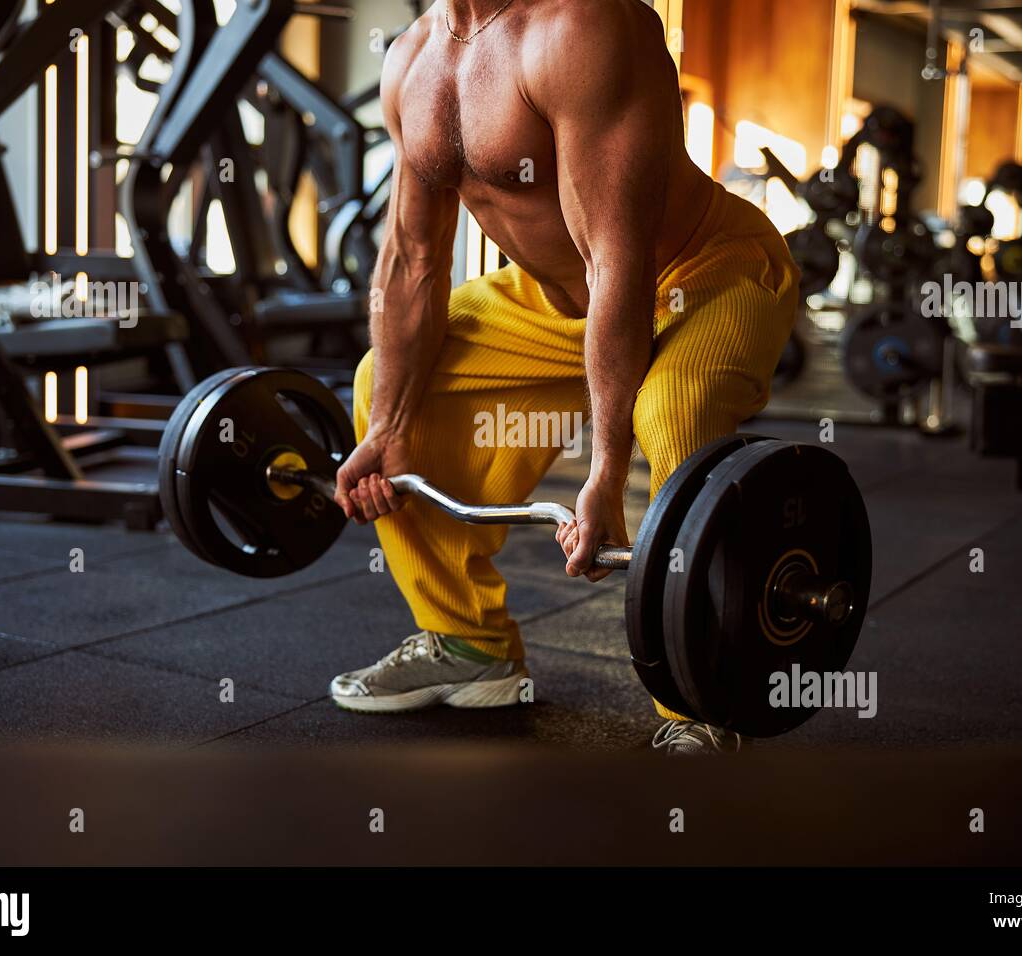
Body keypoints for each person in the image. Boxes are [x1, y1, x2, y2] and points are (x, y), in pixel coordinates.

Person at [330, 0, 799, 754]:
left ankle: (704, 696)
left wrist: (606, 471)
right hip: (555, 300)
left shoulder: (583, 28)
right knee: (383, 385)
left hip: (703, 271)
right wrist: (385, 429)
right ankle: (467, 644)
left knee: (673, 408)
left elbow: (620, 255)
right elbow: (411, 260)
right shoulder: (412, 60)